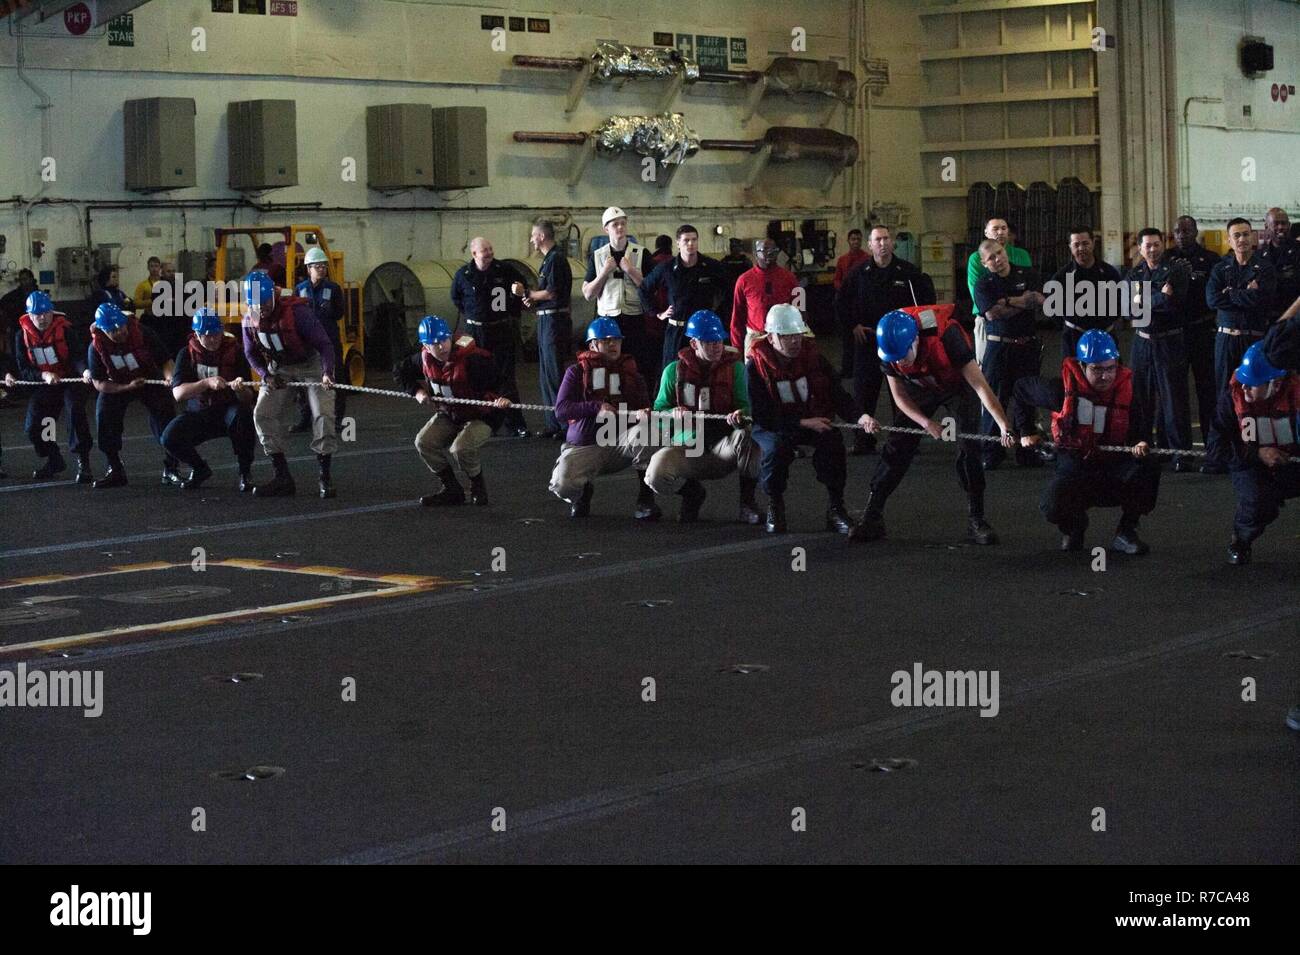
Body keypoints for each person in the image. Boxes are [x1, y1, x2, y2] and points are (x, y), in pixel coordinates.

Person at [853, 305, 1015, 545]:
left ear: (916, 340)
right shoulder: (888, 350)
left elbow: (980, 386)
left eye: (903, 355)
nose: (899, 361)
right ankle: (873, 514)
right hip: (919, 387)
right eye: (894, 358)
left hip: (957, 385)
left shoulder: (949, 337)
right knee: (897, 446)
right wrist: (926, 422)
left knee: (969, 447)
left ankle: (976, 518)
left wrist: (1004, 425)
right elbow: (898, 396)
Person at [1011, 330, 1159, 555]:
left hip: (1113, 468)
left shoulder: (1131, 389)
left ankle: (1126, 531)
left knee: (1149, 466)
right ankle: (1074, 526)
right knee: (1051, 506)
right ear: (1081, 366)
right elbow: (1020, 389)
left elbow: (1142, 429)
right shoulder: (1058, 390)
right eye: (1097, 369)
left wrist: (1140, 443)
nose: (1105, 376)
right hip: (1075, 466)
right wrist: (1025, 430)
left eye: (1110, 368)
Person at [746, 304, 864, 535]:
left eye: (797, 334)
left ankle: (835, 507)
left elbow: (837, 393)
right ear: (771, 338)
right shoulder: (755, 368)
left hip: (810, 418)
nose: (794, 341)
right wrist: (800, 423)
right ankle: (775, 504)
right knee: (776, 450)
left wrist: (861, 416)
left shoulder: (815, 359)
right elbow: (761, 414)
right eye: (786, 336)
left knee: (832, 442)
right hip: (773, 424)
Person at [645, 309, 760, 524]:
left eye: (719, 341)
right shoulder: (673, 371)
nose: (717, 346)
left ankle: (747, 503)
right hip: (687, 446)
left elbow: (749, 408)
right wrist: (672, 414)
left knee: (751, 437)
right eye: (709, 342)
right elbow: (658, 412)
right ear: (694, 344)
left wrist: (741, 415)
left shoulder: (736, 370)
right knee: (655, 474)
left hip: (724, 446)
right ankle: (691, 493)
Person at [836, 224, 937, 456]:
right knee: (864, 393)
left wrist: (922, 337)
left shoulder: (909, 273)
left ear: (892, 243)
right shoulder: (859, 274)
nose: (882, 243)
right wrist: (853, 325)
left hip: (900, 345)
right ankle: (863, 441)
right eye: (877, 240)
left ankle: (905, 440)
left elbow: (927, 305)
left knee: (902, 394)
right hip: (868, 343)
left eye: (886, 239)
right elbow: (841, 303)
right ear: (870, 245)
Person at [241, 269, 338, 499]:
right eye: (255, 304)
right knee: (262, 414)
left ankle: (325, 476)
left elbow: (325, 344)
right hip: (280, 366)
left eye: (264, 302)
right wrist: (265, 375)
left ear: (274, 295)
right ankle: (282, 476)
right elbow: (250, 353)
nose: (261, 309)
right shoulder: (250, 320)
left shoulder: (298, 313)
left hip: (310, 363)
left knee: (323, 414)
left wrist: (327, 372)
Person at [548, 318, 658, 520]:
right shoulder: (576, 371)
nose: (612, 344)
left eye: (616, 340)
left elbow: (646, 406)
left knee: (648, 433)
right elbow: (561, 411)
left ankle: (645, 499)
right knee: (561, 485)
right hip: (586, 444)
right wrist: (596, 407)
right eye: (605, 340)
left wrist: (643, 414)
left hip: (620, 444)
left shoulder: (632, 373)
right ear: (592, 345)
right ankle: (582, 492)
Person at [397, 315, 511, 507]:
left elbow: (503, 379)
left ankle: (477, 486)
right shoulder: (424, 359)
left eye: (444, 340)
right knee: (424, 442)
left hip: (482, 415)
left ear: (450, 337)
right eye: (434, 344)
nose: (441, 347)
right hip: (451, 413)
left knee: (461, 448)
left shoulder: (474, 359)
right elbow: (399, 371)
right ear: (425, 346)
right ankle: (452, 489)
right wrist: (417, 392)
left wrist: (503, 397)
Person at [1210, 343, 1299, 566]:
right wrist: (1257, 454)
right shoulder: (1231, 399)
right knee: (1258, 502)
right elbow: (1216, 447)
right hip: (1249, 464)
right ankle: (1240, 540)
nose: (1244, 388)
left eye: (1252, 385)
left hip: (1292, 462)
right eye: (1243, 382)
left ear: (1276, 384)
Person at [1203, 218, 1278, 473]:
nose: (1242, 240)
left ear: (1253, 237)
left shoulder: (1264, 269)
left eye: (1246, 234)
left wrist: (1230, 294)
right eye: (1237, 235)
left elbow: (1263, 299)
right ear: (1229, 239)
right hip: (1225, 340)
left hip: (1253, 340)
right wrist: (1245, 293)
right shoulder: (1220, 268)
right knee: (1224, 395)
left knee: (1255, 396)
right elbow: (1212, 299)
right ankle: (1219, 455)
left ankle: (1253, 452)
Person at [85, 302, 180, 489]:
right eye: (114, 331)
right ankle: (115, 469)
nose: (120, 332)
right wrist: (125, 387)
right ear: (103, 331)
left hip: (148, 378)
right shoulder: (95, 347)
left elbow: (166, 359)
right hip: (117, 383)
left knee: (166, 418)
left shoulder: (143, 332)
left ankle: (171, 468)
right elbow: (99, 383)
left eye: (121, 327)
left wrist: (170, 378)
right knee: (104, 416)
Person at [161, 307, 256, 491]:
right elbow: (178, 393)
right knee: (169, 437)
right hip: (199, 412)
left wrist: (240, 389)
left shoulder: (235, 351)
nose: (213, 339)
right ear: (196, 334)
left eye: (216, 334)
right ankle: (199, 468)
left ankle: (245, 472)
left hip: (228, 412)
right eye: (207, 335)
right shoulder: (186, 353)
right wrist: (205, 383)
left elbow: (248, 397)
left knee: (243, 415)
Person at [3, 289, 94, 482]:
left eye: (46, 313)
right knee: (37, 424)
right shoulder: (21, 336)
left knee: (75, 410)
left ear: (52, 312)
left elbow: (78, 356)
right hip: (45, 383)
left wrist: (84, 371)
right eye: (36, 315)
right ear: (29, 315)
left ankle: (83, 462)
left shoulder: (67, 330)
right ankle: (53, 458)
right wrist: (43, 375)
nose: (42, 318)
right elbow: (23, 368)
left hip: (69, 381)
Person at [972, 239, 1045, 469]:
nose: (997, 259)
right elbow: (992, 314)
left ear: (1005, 251)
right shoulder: (983, 284)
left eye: (999, 253)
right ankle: (991, 451)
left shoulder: (1028, 273)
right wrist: (1023, 300)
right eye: (991, 257)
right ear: (984, 263)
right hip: (999, 347)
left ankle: (1028, 450)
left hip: (1027, 346)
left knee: (1027, 399)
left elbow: (1039, 301)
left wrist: (1006, 301)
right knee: (995, 397)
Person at [1124, 228, 1193, 470]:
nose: (1152, 249)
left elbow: (1177, 303)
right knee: (1140, 397)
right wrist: (1160, 298)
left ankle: (1180, 453)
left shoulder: (1176, 270)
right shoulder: (1133, 274)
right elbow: (1128, 309)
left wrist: (1144, 300)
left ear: (1163, 245)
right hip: (1142, 342)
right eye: (1147, 245)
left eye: (1156, 244)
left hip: (1169, 342)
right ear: (1140, 249)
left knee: (1173, 399)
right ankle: (1142, 446)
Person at [452, 236, 528, 437]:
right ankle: (482, 423)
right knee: (476, 378)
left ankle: (515, 423)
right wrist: (474, 315)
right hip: (475, 332)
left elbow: (522, 288)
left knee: (506, 378)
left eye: (490, 248)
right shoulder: (463, 275)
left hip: (501, 330)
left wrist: (517, 297)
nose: (489, 253)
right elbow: (456, 299)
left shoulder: (505, 270)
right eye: (484, 250)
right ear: (474, 254)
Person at [513, 218, 572, 440]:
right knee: (546, 374)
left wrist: (527, 294)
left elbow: (552, 292)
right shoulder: (549, 260)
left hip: (554, 322)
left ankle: (564, 424)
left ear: (541, 236)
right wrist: (533, 300)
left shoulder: (556, 259)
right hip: (547, 319)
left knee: (554, 373)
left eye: (532, 235)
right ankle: (553, 422)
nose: (531, 239)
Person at [1166, 215, 1221, 447]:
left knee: (1207, 390)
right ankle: (1180, 449)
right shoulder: (1166, 259)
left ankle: (1213, 443)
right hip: (1174, 334)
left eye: (1186, 231)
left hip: (1202, 331)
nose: (1181, 235)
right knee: (1175, 393)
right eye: (1177, 231)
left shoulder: (1210, 260)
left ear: (1196, 232)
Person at [640, 224, 726, 374]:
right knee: (673, 372)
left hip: (703, 333)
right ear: (678, 243)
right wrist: (657, 313)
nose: (691, 244)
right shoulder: (666, 268)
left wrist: (719, 316)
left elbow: (728, 289)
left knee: (705, 372)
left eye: (694, 240)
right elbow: (644, 289)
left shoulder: (711, 266)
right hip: (677, 331)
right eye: (686, 240)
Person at [582, 207, 652, 382]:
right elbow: (588, 294)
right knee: (606, 367)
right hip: (607, 320)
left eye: (623, 223)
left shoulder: (641, 253)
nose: (620, 227)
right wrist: (604, 272)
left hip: (633, 318)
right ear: (606, 229)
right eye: (615, 224)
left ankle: (636, 403)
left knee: (636, 366)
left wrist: (631, 270)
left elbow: (650, 287)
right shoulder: (598, 256)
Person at [291, 246, 347, 434]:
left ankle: (338, 419)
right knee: (303, 382)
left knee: (335, 378)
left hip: (329, 341)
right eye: (317, 266)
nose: (322, 269)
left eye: (324, 266)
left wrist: (329, 311)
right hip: (307, 344)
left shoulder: (333, 289)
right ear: (308, 268)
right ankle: (305, 418)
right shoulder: (300, 290)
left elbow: (340, 313)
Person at [1049, 228, 1122, 362]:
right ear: (1070, 247)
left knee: (1111, 377)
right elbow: (1054, 312)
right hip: (1074, 338)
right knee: (1074, 380)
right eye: (1076, 244)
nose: (1081, 248)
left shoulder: (1109, 273)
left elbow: (1119, 304)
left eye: (1085, 243)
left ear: (1093, 243)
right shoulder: (1061, 278)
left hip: (1106, 334)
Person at [966, 218, 1032, 360]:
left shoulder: (1022, 255)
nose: (1000, 232)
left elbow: (1030, 289)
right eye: (995, 229)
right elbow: (979, 295)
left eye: (1004, 228)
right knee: (987, 365)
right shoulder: (976, 258)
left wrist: (1006, 301)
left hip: (1021, 322)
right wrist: (1022, 301)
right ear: (986, 232)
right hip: (988, 318)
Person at [730, 237, 799, 357]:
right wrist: (737, 349)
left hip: (783, 340)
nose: (769, 253)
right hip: (756, 339)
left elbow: (801, 310)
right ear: (756, 254)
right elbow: (737, 318)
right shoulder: (743, 281)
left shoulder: (791, 279)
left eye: (773, 250)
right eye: (764, 250)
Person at [833, 228, 870, 378]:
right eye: (853, 239)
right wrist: (842, 290)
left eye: (858, 239)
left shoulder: (867, 259)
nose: (855, 242)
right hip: (846, 304)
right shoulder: (842, 260)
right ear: (848, 241)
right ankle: (847, 369)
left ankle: (862, 369)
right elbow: (837, 278)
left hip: (860, 303)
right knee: (847, 339)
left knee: (863, 339)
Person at [1258, 207, 1300, 320]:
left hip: (1294, 319)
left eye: (1284, 223)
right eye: (1276, 224)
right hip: (1267, 319)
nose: (1280, 227)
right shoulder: (1258, 255)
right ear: (1266, 227)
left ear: (1289, 225)